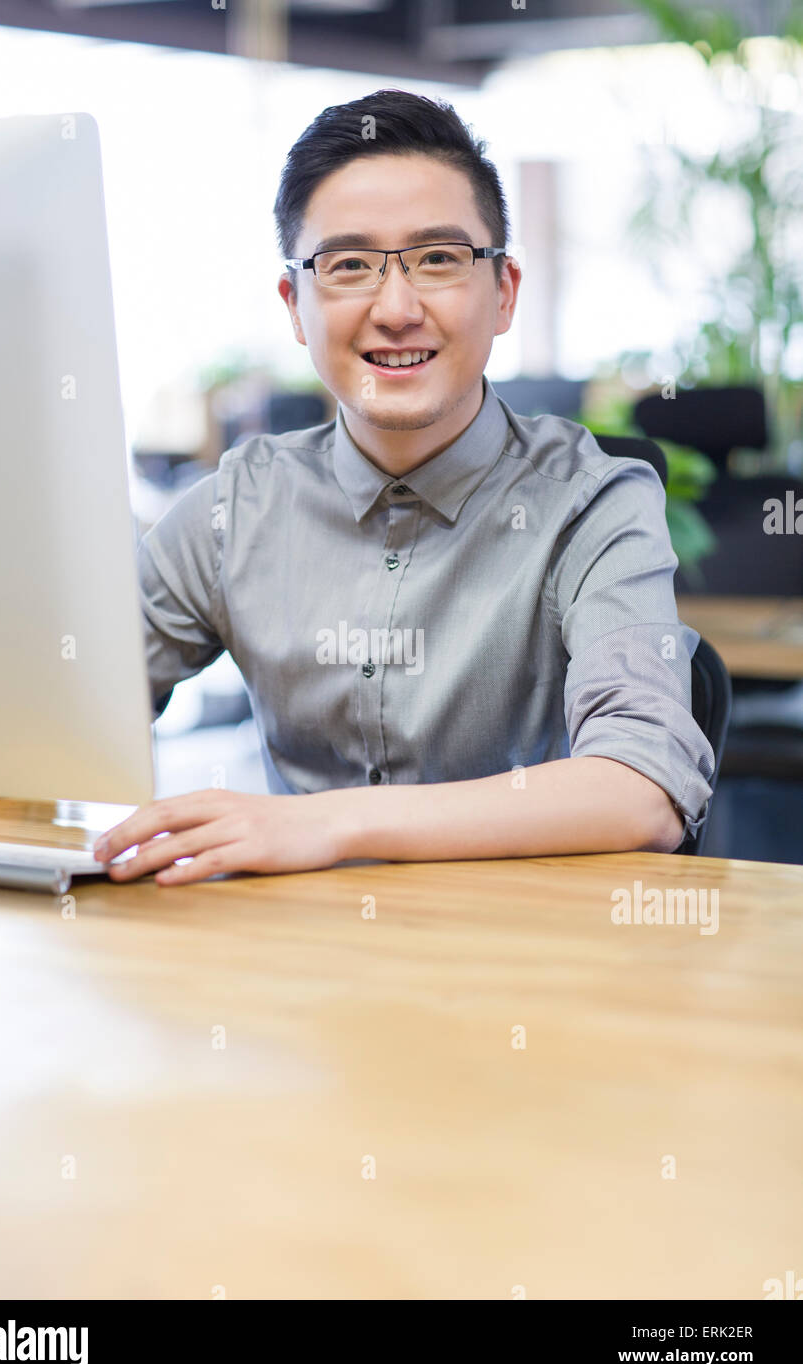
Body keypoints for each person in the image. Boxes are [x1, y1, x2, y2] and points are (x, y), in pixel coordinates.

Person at [94, 89, 714, 884]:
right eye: (348, 265)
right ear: (296, 305)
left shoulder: (592, 501)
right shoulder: (234, 506)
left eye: (438, 259)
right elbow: (65, 718)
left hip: (530, 963)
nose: (396, 308)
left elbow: (643, 788)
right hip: (293, 968)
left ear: (505, 294)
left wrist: (327, 823)